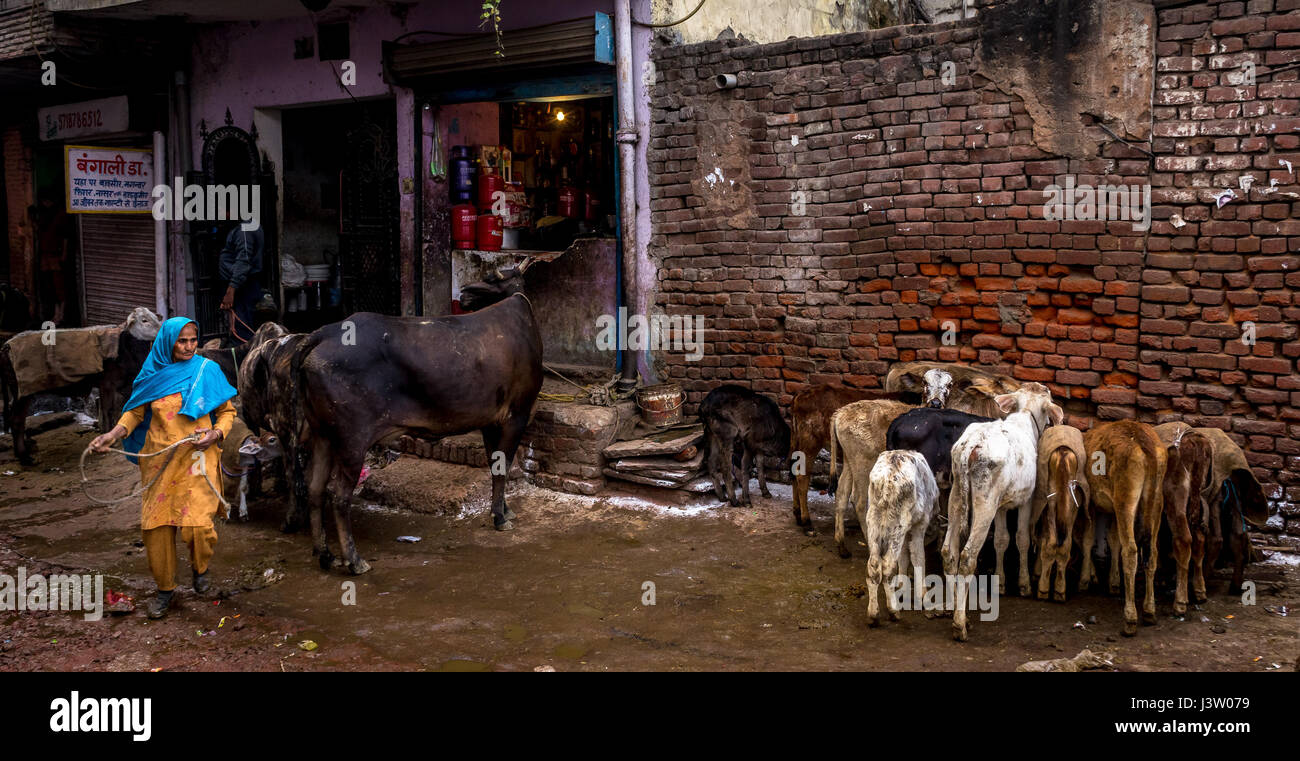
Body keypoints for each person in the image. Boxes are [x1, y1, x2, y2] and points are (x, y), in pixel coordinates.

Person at [90, 317, 238, 619]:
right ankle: (165, 590)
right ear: (167, 342)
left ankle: (200, 569)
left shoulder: (206, 370)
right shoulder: (151, 376)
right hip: (160, 461)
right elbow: (133, 414)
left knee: (198, 524)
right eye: (181, 341)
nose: (188, 347)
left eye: (193, 340)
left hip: (198, 459)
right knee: (157, 529)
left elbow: (227, 412)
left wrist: (216, 434)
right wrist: (111, 435)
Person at [31, 189, 74, 325]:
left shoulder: (60, 214)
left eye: (47, 201)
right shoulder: (45, 215)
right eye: (43, 201)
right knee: (50, 286)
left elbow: (66, 236)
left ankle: (61, 315)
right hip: (46, 255)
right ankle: (56, 314)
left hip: (56, 255)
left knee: (59, 286)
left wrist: (63, 255)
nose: (45, 203)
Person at [217, 224, 264, 342]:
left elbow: (244, 261)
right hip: (244, 285)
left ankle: (244, 358)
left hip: (242, 287)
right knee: (241, 327)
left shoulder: (244, 231)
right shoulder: (244, 228)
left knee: (242, 331)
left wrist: (231, 290)